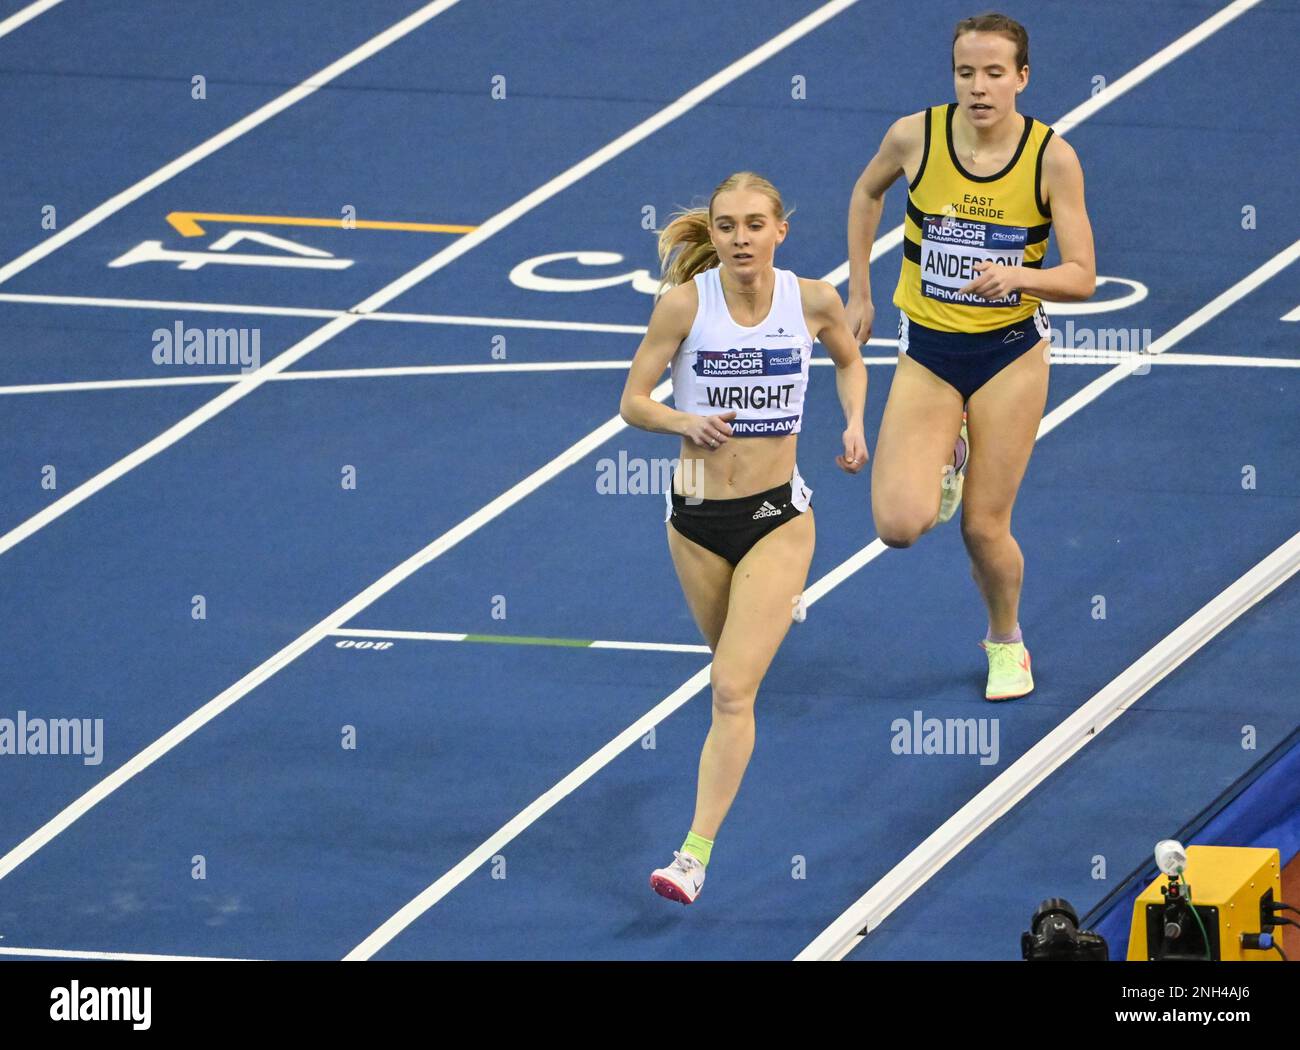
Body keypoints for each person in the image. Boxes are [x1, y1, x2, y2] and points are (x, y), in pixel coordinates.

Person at [620, 171, 867, 904]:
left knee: (729, 689)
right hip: (694, 522)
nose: (739, 239)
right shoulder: (683, 307)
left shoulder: (812, 299)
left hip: (776, 518)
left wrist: (854, 424)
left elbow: (850, 360)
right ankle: (773, 609)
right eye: (726, 226)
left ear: (779, 231)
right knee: (733, 665)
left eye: (754, 224)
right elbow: (632, 400)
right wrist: (679, 420)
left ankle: (692, 856)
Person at [845, 12, 1095, 701]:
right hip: (927, 351)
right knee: (898, 527)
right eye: (965, 73)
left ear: (1021, 78)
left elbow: (1082, 275)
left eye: (992, 74)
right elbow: (867, 191)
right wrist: (860, 293)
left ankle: (1005, 640)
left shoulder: (1051, 158)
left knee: (984, 528)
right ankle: (948, 449)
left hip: (1008, 355)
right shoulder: (914, 136)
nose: (978, 87)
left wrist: (1022, 277)